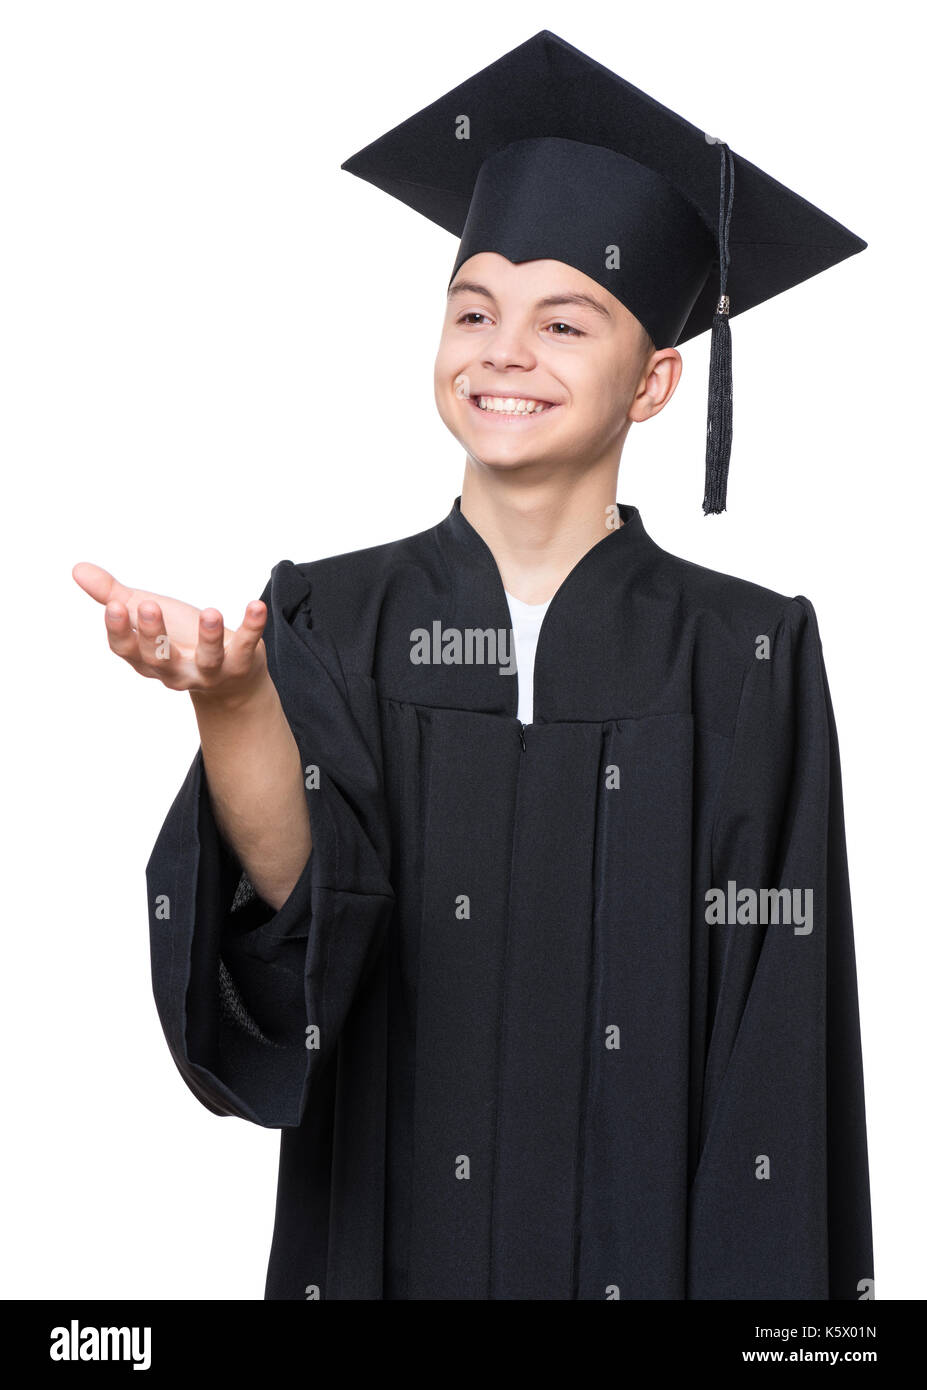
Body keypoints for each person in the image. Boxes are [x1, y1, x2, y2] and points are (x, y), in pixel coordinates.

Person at [72, 31, 873, 1300]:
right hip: (384, 1253)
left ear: (656, 384)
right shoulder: (330, 610)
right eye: (474, 307)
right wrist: (232, 700)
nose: (505, 349)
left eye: (566, 320)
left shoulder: (748, 652)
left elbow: (778, 1028)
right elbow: (309, 914)